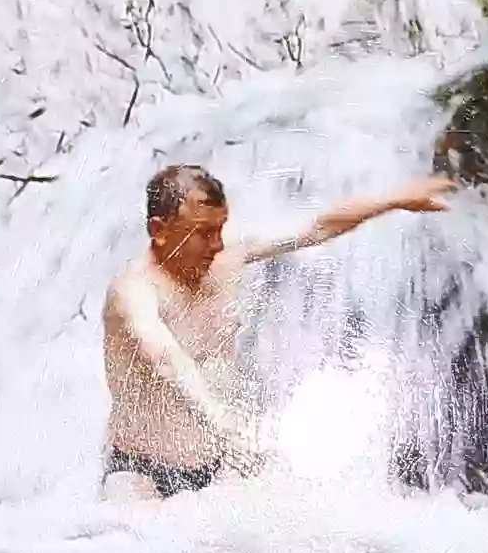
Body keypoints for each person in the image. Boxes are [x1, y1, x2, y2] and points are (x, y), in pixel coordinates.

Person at [100, 164, 456, 502]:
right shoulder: (133, 291)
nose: (217, 245)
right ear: (159, 230)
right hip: (141, 471)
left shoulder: (228, 257)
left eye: (220, 229)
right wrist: (220, 418)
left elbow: (317, 228)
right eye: (203, 234)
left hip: (218, 465)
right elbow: (164, 355)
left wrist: (393, 201)